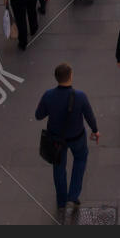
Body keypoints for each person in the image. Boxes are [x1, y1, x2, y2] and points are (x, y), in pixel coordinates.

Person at [36, 62, 99, 213]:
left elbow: (39, 115)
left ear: (56, 78)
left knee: (58, 168)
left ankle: (61, 201)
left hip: (56, 139)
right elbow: (89, 116)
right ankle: (73, 195)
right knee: (80, 159)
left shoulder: (48, 95)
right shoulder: (80, 96)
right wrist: (95, 130)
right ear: (70, 76)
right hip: (77, 137)